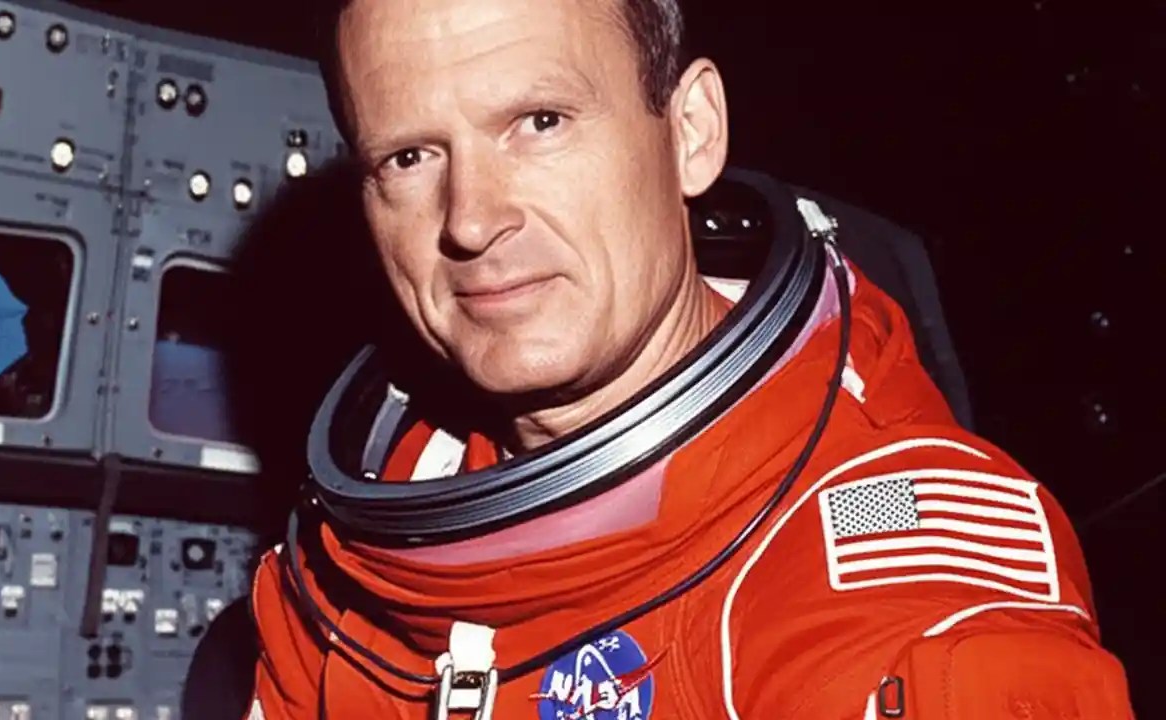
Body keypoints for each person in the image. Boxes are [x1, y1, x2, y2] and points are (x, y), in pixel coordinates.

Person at [243, 0, 1135, 717]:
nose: (471, 219)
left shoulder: (889, 584)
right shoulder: (350, 568)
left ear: (691, 132)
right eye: (408, 157)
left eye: (541, 122)